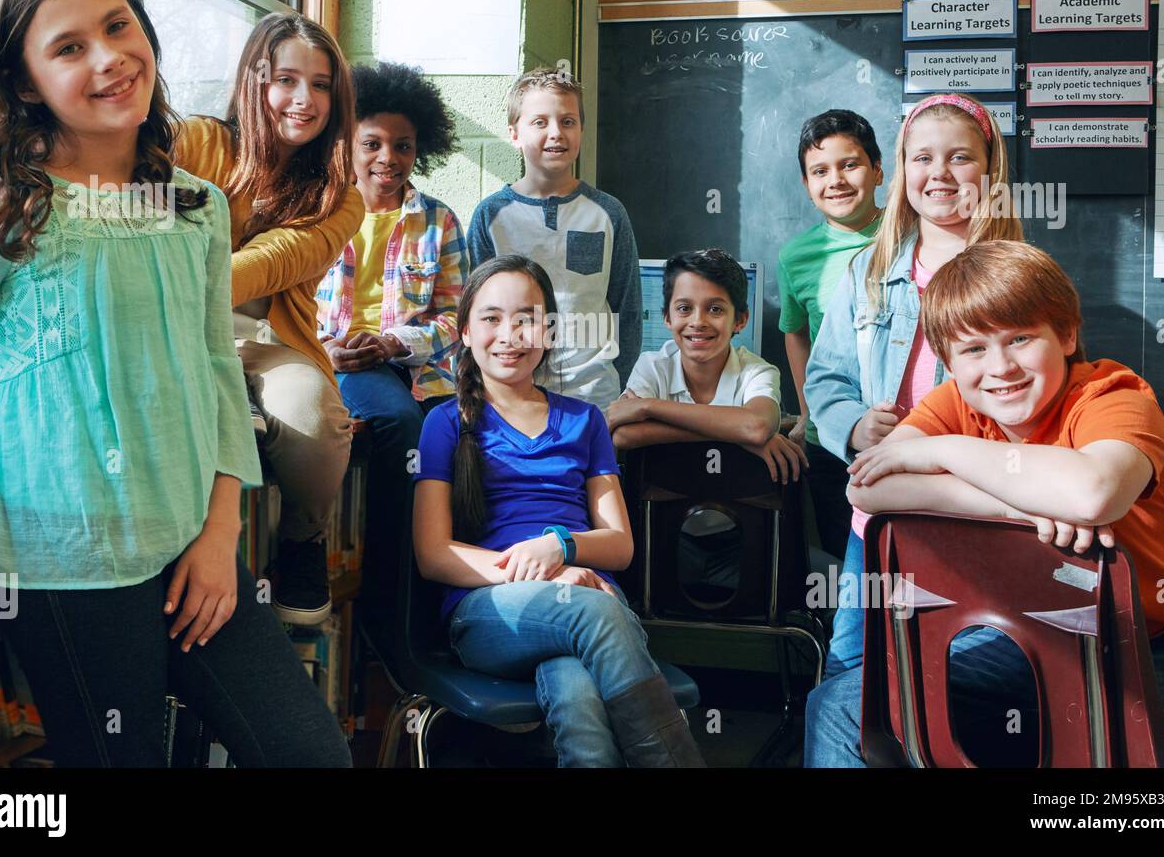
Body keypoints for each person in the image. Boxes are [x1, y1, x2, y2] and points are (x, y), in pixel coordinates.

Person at [0, 0, 350, 766]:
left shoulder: (195, 208)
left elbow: (219, 372)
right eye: (69, 47)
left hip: (195, 547)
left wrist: (221, 532)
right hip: (62, 563)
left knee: (310, 753)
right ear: (21, 80)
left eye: (119, 26)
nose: (111, 59)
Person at [807, 241, 1164, 768]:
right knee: (841, 706)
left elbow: (1093, 493)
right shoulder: (954, 400)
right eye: (973, 349)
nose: (1000, 367)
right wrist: (1019, 509)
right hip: (1030, 636)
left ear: (1066, 335)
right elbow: (866, 487)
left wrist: (941, 450)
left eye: (1020, 338)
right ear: (949, 361)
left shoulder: (1116, 399)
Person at [412, 254, 704, 767]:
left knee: (577, 696)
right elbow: (434, 555)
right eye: (492, 318)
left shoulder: (585, 420)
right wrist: (544, 573)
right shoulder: (445, 422)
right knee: (590, 611)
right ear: (464, 332)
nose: (510, 334)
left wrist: (561, 545)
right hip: (490, 609)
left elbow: (619, 545)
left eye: (527, 318)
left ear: (548, 331)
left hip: (588, 594)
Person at [805, 93, 1021, 676]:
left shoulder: (1018, 277)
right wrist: (852, 423)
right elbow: (825, 375)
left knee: (958, 673)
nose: (940, 174)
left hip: (977, 514)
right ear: (902, 170)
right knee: (852, 667)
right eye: (922, 158)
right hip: (879, 517)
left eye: (960, 158)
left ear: (990, 170)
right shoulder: (870, 271)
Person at [175, 13, 363, 625]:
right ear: (255, 82)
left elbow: (281, 258)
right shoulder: (198, 142)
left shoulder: (341, 193)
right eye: (286, 79)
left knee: (315, 416)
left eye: (321, 84)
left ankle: (303, 540)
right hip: (173, 325)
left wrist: (188, 274)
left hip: (267, 339)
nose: (304, 99)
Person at [314, 60, 467, 626]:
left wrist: (394, 342)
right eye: (372, 143)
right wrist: (328, 349)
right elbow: (285, 309)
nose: (387, 158)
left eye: (402, 146)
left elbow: (454, 320)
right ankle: (390, 589)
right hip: (334, 364)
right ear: (346, 142)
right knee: (403, 424)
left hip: (415, 367)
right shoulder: (318, 213)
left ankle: (443, 599)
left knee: (459, 444)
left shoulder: (439, 221)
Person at [467, 67, 640, 410]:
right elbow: (475, 313)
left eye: (568, 121)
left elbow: (628, 309)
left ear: (581, 130)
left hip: (595, 396)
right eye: (540, 122)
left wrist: (619, 379)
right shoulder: (491, 216)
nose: (556, 133)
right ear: (514, 134)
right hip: (512, 396)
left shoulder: (608, 213)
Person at [778, 109, 883, 557]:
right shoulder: (798, 257)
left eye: (850, 164)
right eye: (819, 171)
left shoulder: (915, 235)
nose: (835, 180)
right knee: (851, 567)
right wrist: (807, 412)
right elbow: (796, 332)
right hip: (833, 443)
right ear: (806, 185)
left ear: (878, 170)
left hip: (908, 432)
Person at [608, 248, 806, 484]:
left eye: (715, 309)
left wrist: (649, 407)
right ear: (667, 318)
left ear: (741, 319)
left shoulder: (758, 371)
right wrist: (738, 436)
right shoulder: (652, 365)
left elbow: (757, 425)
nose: (698, 321)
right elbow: (623, 435)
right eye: (684, 308)